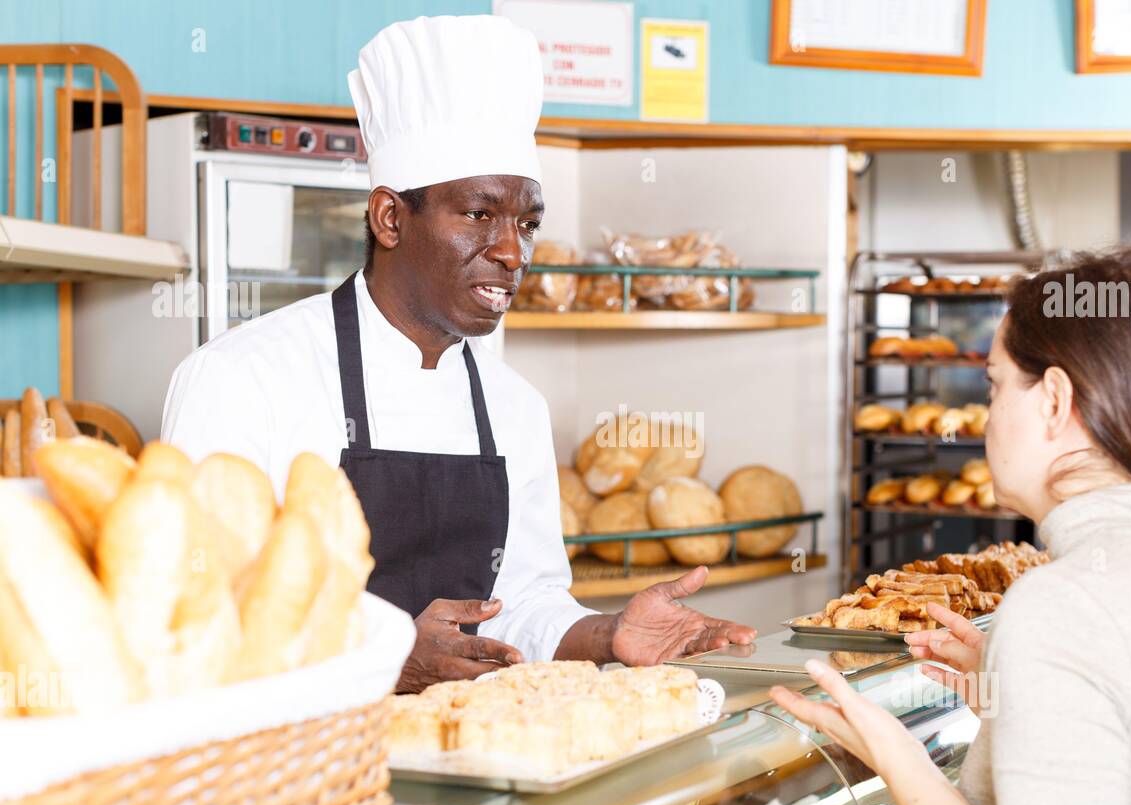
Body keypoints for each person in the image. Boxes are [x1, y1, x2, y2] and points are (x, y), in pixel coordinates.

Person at [162, 15, 754, 692]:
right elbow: (187, 610)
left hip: (464, 766)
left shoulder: (514, 407)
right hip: (296, 769)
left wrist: (609, 632)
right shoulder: (241, 379)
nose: (512, 252)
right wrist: (378, 653)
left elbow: (521, 607)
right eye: (479, 214)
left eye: (527, 223)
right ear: (390, 218)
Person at [773, 247, 1131, 805]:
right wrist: (1013, 697)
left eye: (995, 386)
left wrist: (895, 755)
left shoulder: (1060, 606)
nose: (987, 420)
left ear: (1053, 400)